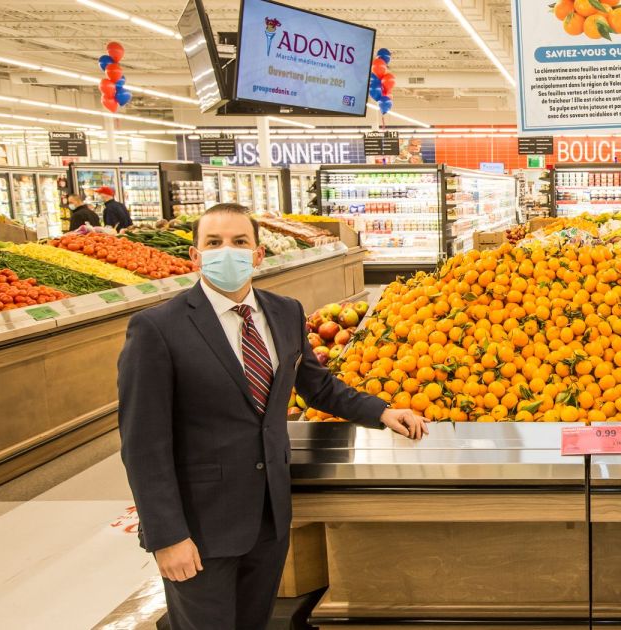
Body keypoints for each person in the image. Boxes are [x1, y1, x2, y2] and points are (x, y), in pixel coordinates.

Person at [118, 203, 430, 629]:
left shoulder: (284, 312)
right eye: (214, 243)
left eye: (239, 242)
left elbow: (318, 386)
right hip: (201, 527)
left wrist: (381, 412)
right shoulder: (157, 328)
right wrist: (166, 536)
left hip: (267, 517)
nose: (227, 251)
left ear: (258, 253)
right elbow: (143, 445)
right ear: (195, 256)